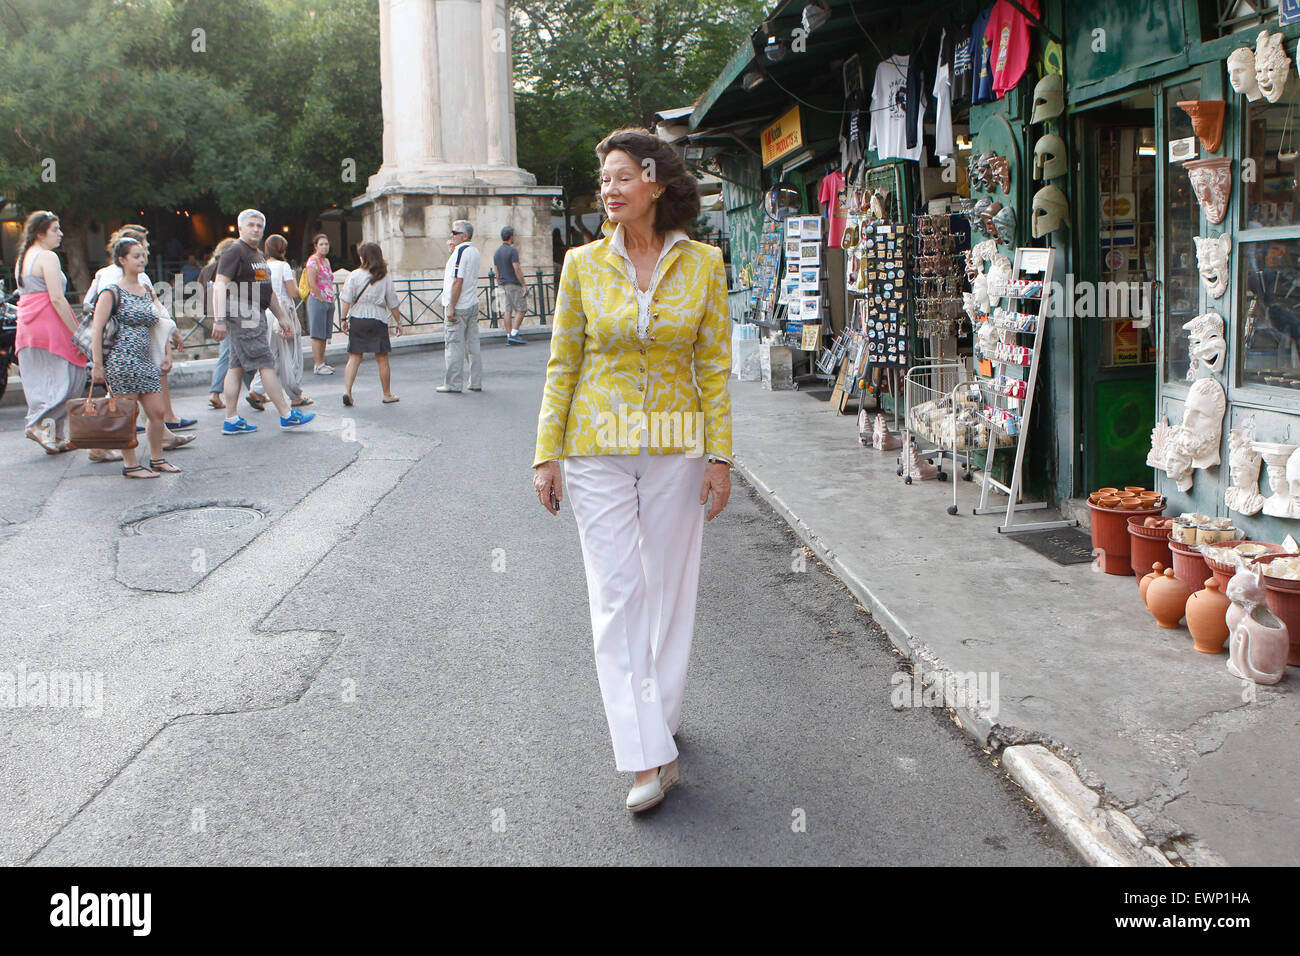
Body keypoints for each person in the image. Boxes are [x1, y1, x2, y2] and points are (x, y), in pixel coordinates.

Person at [531, 128, 732, 813]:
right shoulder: (581, 265)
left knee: (669, 592)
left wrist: (720, 457)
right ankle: (646, 756)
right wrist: (546, 452)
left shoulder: (704, 264)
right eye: (604, 181)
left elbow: (713, 367)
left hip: (677, 447)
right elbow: (563, 363)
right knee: (617, 595)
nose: (609, 191)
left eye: (621, 178)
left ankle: (661, 719)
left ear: (657, 183)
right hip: (596, 447)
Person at [85, 226, 196, 452]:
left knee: (138, 408)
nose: (145, 254)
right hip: (123, 355)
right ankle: (111, 450)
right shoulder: (128, 281)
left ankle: (150, 445)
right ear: (124, 257)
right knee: (125, 408)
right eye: (141, 250)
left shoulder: (107, 274)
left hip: (135, 354)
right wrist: (169, 342)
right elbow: (157, 316)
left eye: (144, 252)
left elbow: (89, 303)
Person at [211, 209, 315, 434]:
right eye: (251, 224)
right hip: (244, 314)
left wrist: (282, 316)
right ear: (240, 228)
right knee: (266, 362)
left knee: (235, 366)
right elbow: (219, 284)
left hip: (253, 313)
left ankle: (231, 419)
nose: (256, 228)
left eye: (259, 225)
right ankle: (287, 414)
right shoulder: (234, 251)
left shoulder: (256, 255)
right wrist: (219, 319)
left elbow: (266, 291)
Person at [13, 211, 85, 455]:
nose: (60, 233)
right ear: (39, 233)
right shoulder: (47, 256)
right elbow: (57, 298)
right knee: (72, 372)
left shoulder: (23, 258)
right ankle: (39, 425)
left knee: (44, 378)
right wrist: (78, 333)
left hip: (28, 324)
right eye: (55, 229)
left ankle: (54, 433)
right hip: (49, 322)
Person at [339, 241, 405, 405]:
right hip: (378, 318)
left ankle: (347, 391)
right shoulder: (385, 277)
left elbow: (346, 299)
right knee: (382, 358)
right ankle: (386, 394)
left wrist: (343, 318)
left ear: (364, 258)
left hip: (358, 318)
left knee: (354, 356)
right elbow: (393, 302)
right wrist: (399, 322)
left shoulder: (354, 275)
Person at [255, 233, 311, 408]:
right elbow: (294, 293)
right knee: (291, 354)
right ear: (282, 249)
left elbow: (260, 291)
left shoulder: (261, 266)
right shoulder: (284, 266)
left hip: (266, 312)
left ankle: (256, 389)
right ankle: (295, 395)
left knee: (270, 354)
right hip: (283, 311)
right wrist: (293, 276)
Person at [437, 219, 482, 393]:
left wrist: (451, 307)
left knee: (454, 345)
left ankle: (453, 383)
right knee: (473, 345)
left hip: (459, 305)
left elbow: (457, 280)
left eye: (455, 233)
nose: (451, 236)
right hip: (471, 303)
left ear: (464, 236)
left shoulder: (460, 252)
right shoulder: (473, 251)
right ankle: (475, 381)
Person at [202, 238, 244, 409]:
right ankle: (215, 392)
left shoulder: (207, 269)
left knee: (238, 351)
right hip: (230, 310)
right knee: (228, 352)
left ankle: (256, 391)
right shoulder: (228, 266)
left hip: (214, 312)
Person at [304, 234, 336, 375]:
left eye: (326, 244)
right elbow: (312, 282)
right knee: (317, 333)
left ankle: (322, 362)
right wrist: (320, 298)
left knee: (324, 333)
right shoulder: (313, 261)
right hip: (318, 299)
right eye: (321, 244)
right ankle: (317, 363)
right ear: (316, 246)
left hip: (328, 299)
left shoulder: (326, 261)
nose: (324, 247)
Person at [494, 226, 528, 344]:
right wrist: (523, 284)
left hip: (501, 284)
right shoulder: (512, 251)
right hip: (513, 283)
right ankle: (514, 333)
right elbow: (517, 268)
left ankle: (509, 335)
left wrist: (499, 283)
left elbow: (496, 272)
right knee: (522, 308)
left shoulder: (497, 252)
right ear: (511, 236)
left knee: (506, 311)